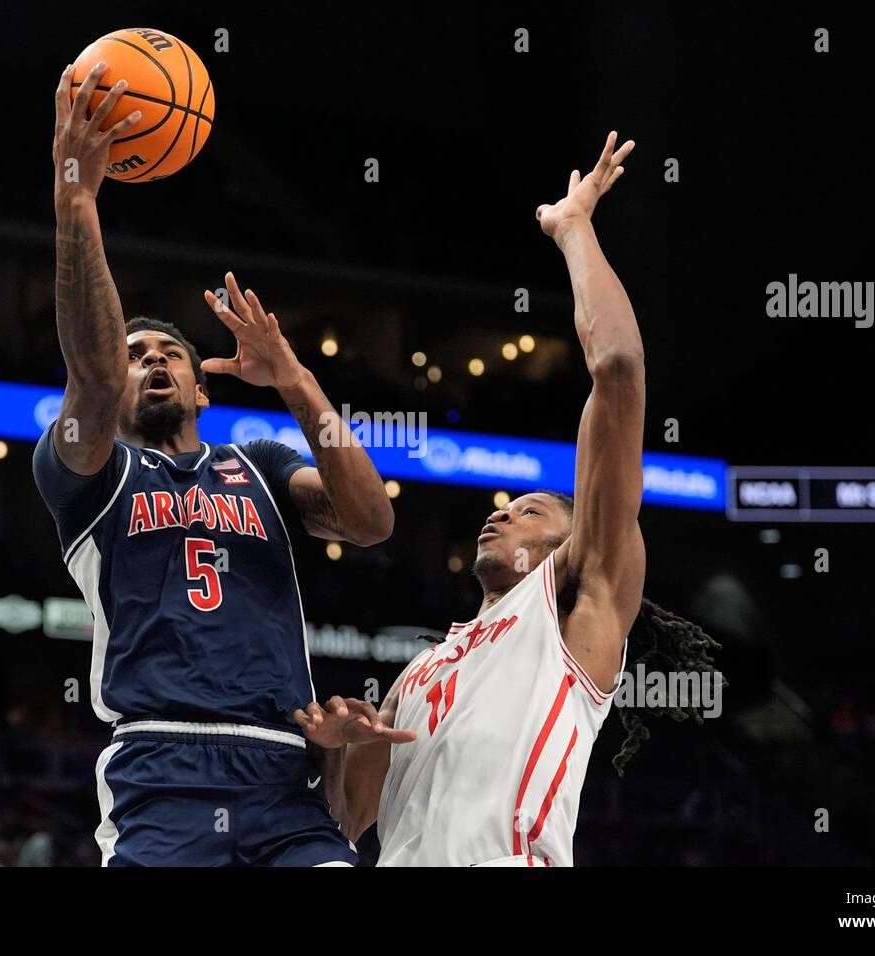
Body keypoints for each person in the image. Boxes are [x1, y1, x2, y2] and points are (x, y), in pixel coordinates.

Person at [294, 132, 719, 867]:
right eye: (503, 505)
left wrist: (574, 230)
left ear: (571, 544)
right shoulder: (420, 671)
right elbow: (347, 823)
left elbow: (618, 369)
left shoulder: (578, 614)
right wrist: (341, 750)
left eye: (530, 510)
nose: (500, 512)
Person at [34, 60, 394, 866]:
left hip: (285, 770)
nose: (153, 361)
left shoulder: (260, 465)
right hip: (161, 768)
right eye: (136, 356)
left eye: (171, 353)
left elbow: (372, 522)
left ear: (202, 389)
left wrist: (297, 382)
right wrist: (77, 202)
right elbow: (88, 375)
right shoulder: (85, 476)